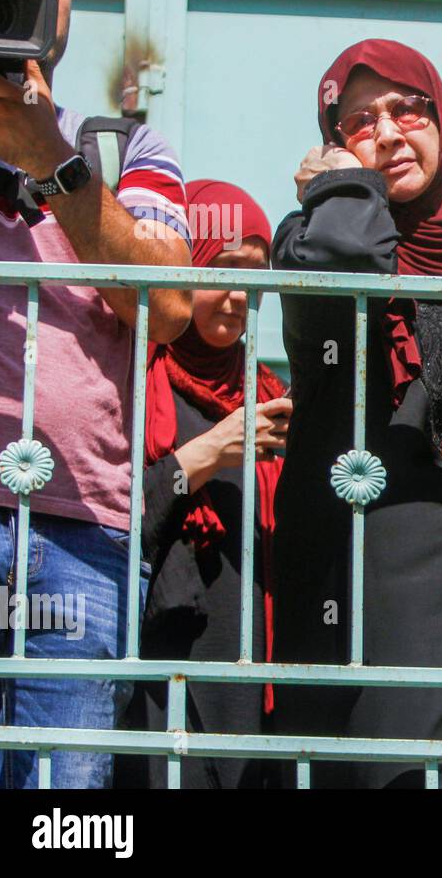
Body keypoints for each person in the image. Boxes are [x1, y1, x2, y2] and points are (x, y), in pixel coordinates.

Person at [271, 39, 442, 789]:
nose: (387, 132)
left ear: (441, 117)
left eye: (407, 109)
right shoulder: (307, 236)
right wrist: (347, 189)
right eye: (356, 122)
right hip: (359, 545)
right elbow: (348, 261)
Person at [0, 0, 192, 789]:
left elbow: (168, 307)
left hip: (77, 525)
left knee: (67, 810)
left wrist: (56, 165)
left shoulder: (121, 143)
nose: (26, 3)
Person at [115, 181, 289, 789]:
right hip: (161, 672)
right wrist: (205, 456)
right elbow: (111, 523)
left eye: (256, 276)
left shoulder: (268, 395)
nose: (240, 296)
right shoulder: (133, 377)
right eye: (224, 270)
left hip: (250, 676)